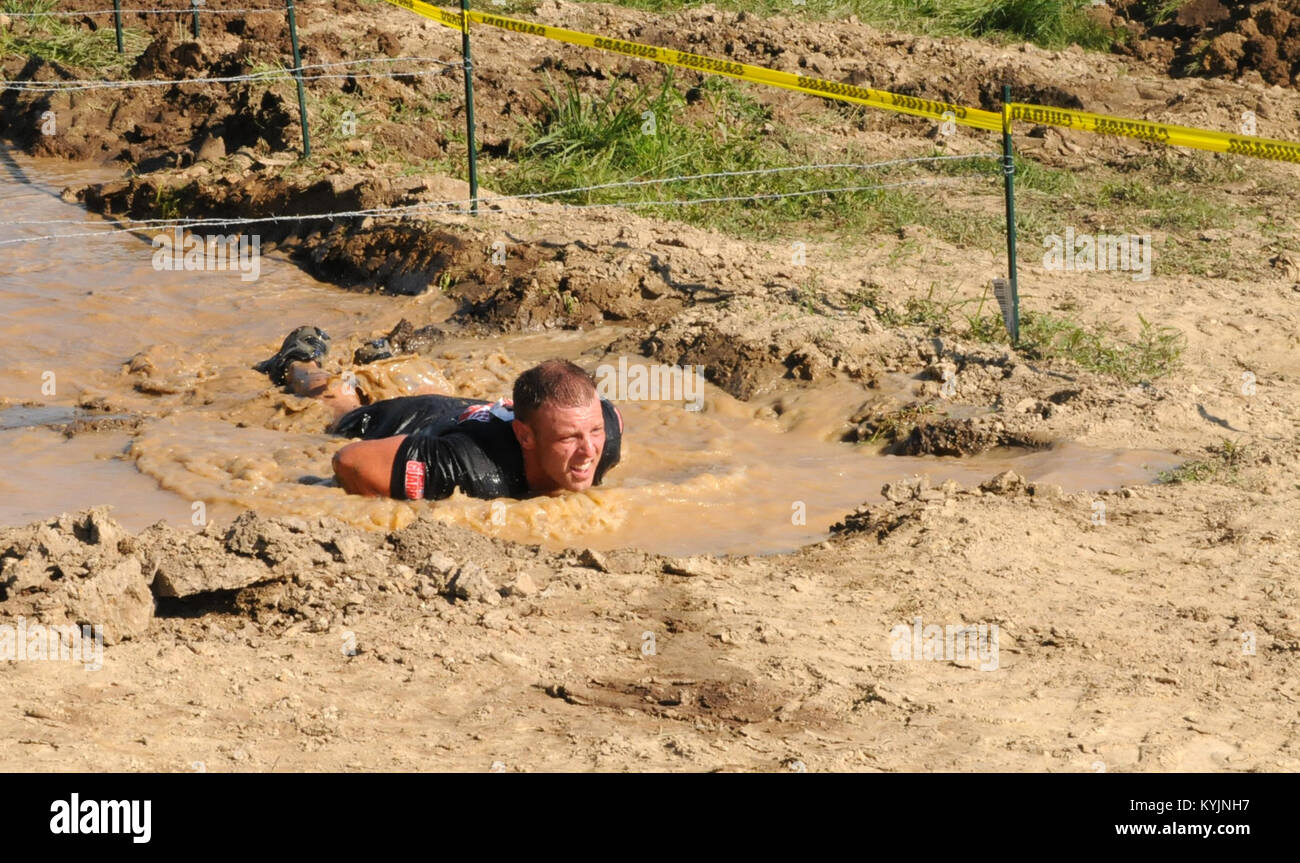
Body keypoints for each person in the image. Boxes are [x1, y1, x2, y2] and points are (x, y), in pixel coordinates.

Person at [255, 327, 623, 501]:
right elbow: (351, 461)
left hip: (469, 411)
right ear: (526, 437)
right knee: (343, 406)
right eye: (569, 438)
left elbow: (610, 418)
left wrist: (579, 432)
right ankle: (300, 360)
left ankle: (383, 360)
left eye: (593, 431)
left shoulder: (606, 433)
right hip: (414, 421)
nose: (589, 451)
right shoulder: (470, 469)